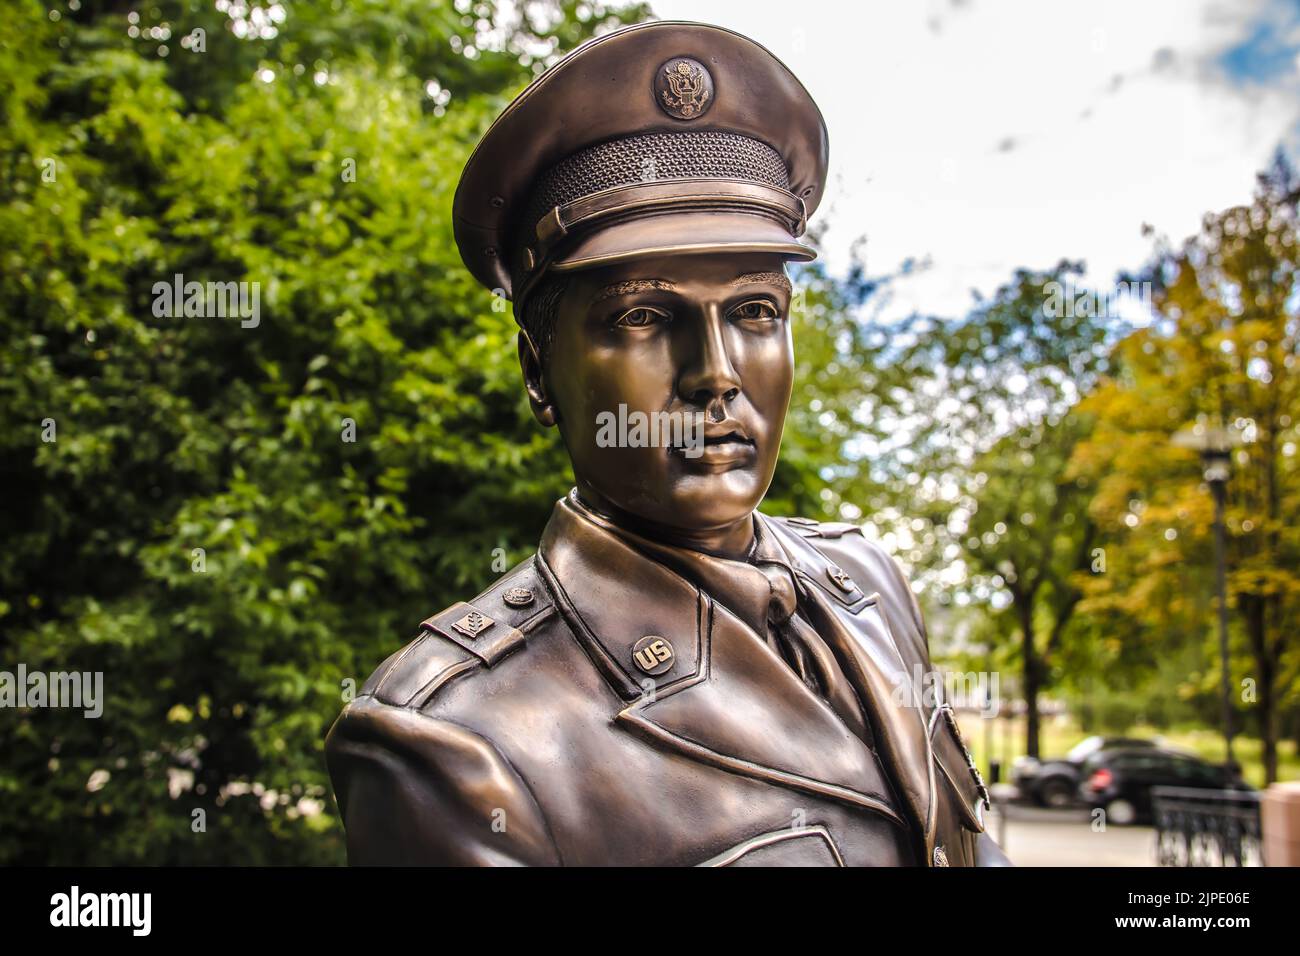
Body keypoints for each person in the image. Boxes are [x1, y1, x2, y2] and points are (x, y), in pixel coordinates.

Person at [325, 19, 1012, 867]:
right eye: (645, 317)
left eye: (755, 311)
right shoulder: (454, 743)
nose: (716, 375)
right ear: (539, 373)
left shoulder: (870, 585)